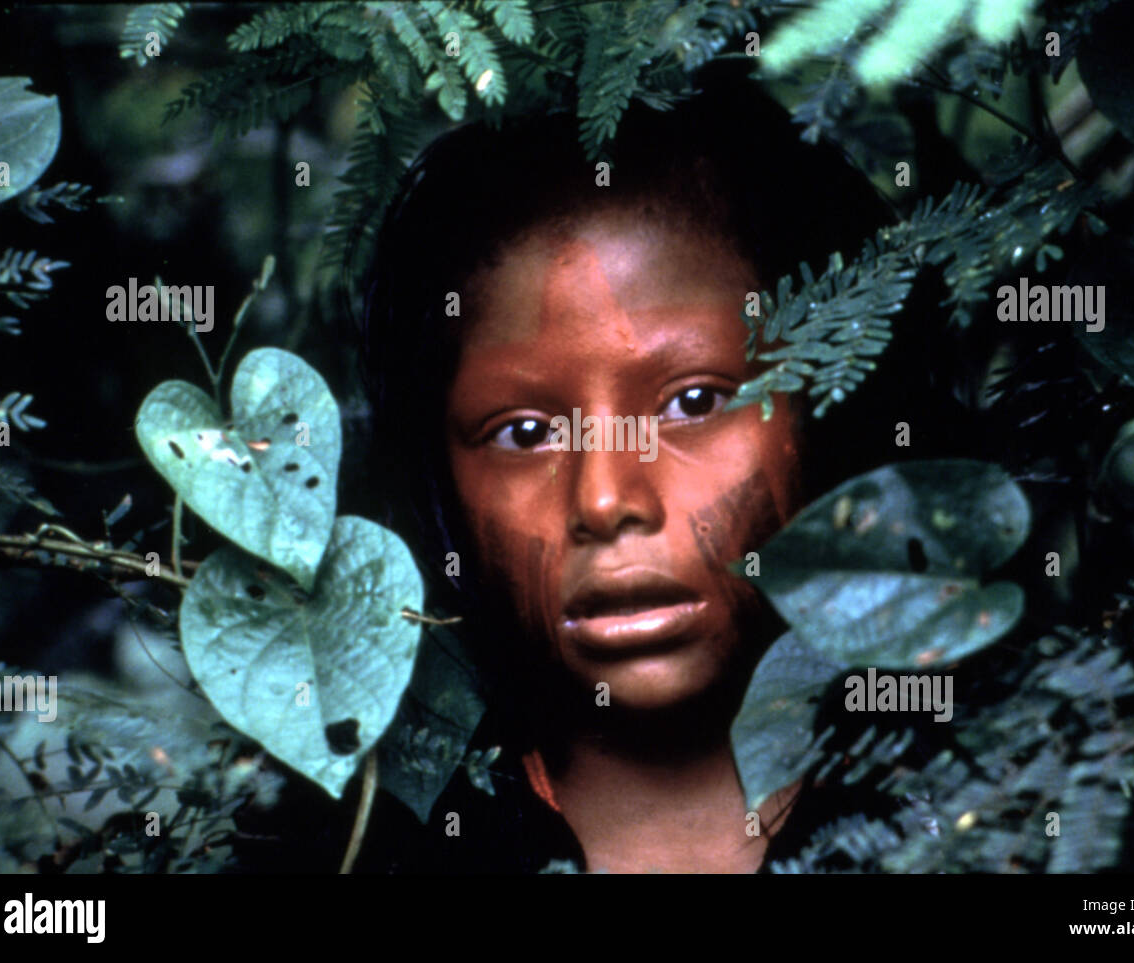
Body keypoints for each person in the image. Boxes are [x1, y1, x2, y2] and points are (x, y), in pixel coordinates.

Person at [346, 61, 918, 873]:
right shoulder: (348, 846)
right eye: (525, 432)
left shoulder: (1043, 783)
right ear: (438, 475)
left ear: (831, 394)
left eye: (691, 403)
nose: (607, 498)